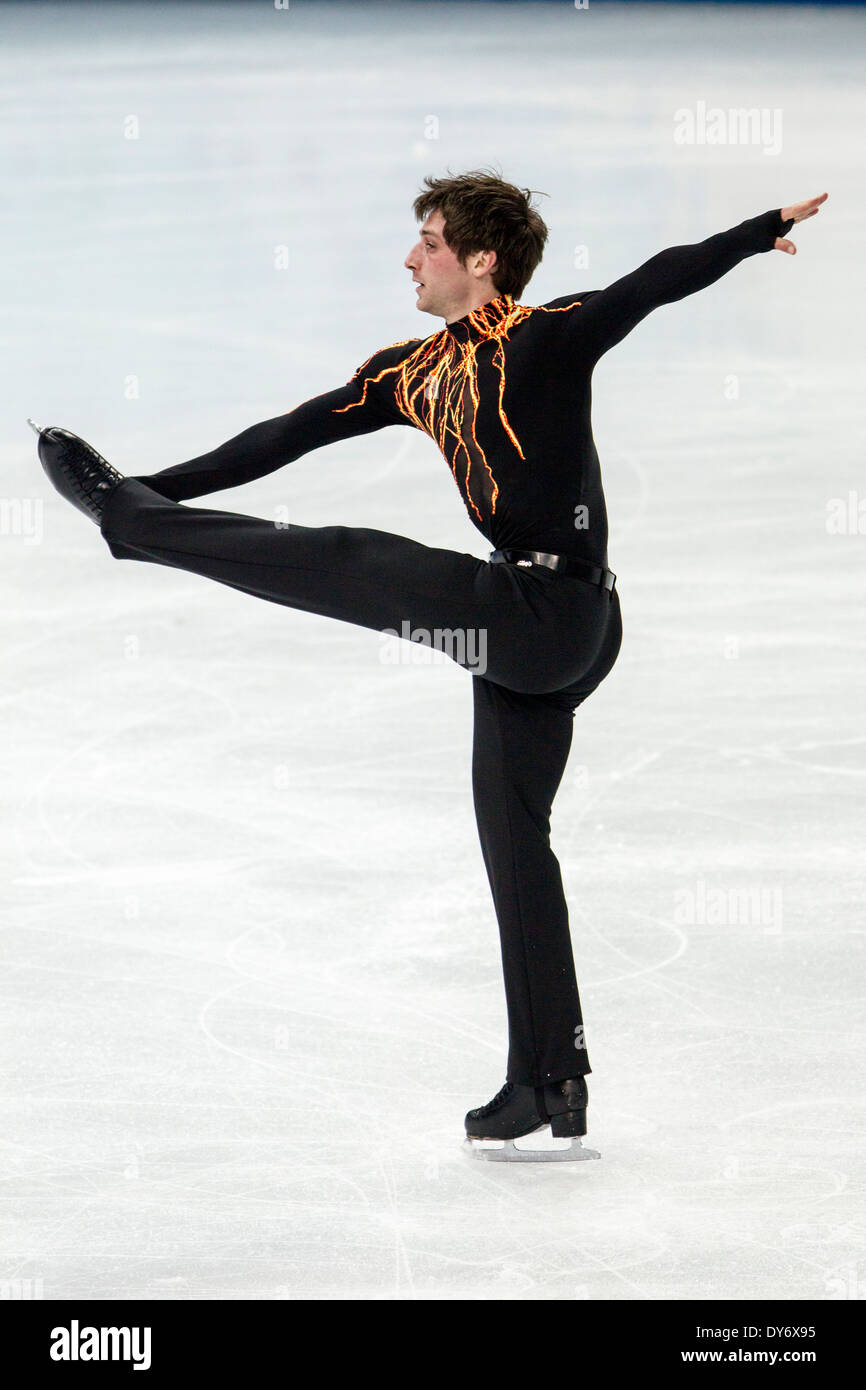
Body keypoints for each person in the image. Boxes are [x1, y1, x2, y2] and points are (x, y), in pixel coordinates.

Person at [33, 172, 826, 1162]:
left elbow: (652, 281)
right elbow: (283, 435)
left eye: (427, 240)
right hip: (523, 634)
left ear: (479, 258)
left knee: (349, 560)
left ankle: (132, 529)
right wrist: (157, 485)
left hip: (551, 614)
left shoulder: (548, 335)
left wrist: (754, 232)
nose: (410, 257)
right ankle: (548, 1078)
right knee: (514, 847)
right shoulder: (407, 372)